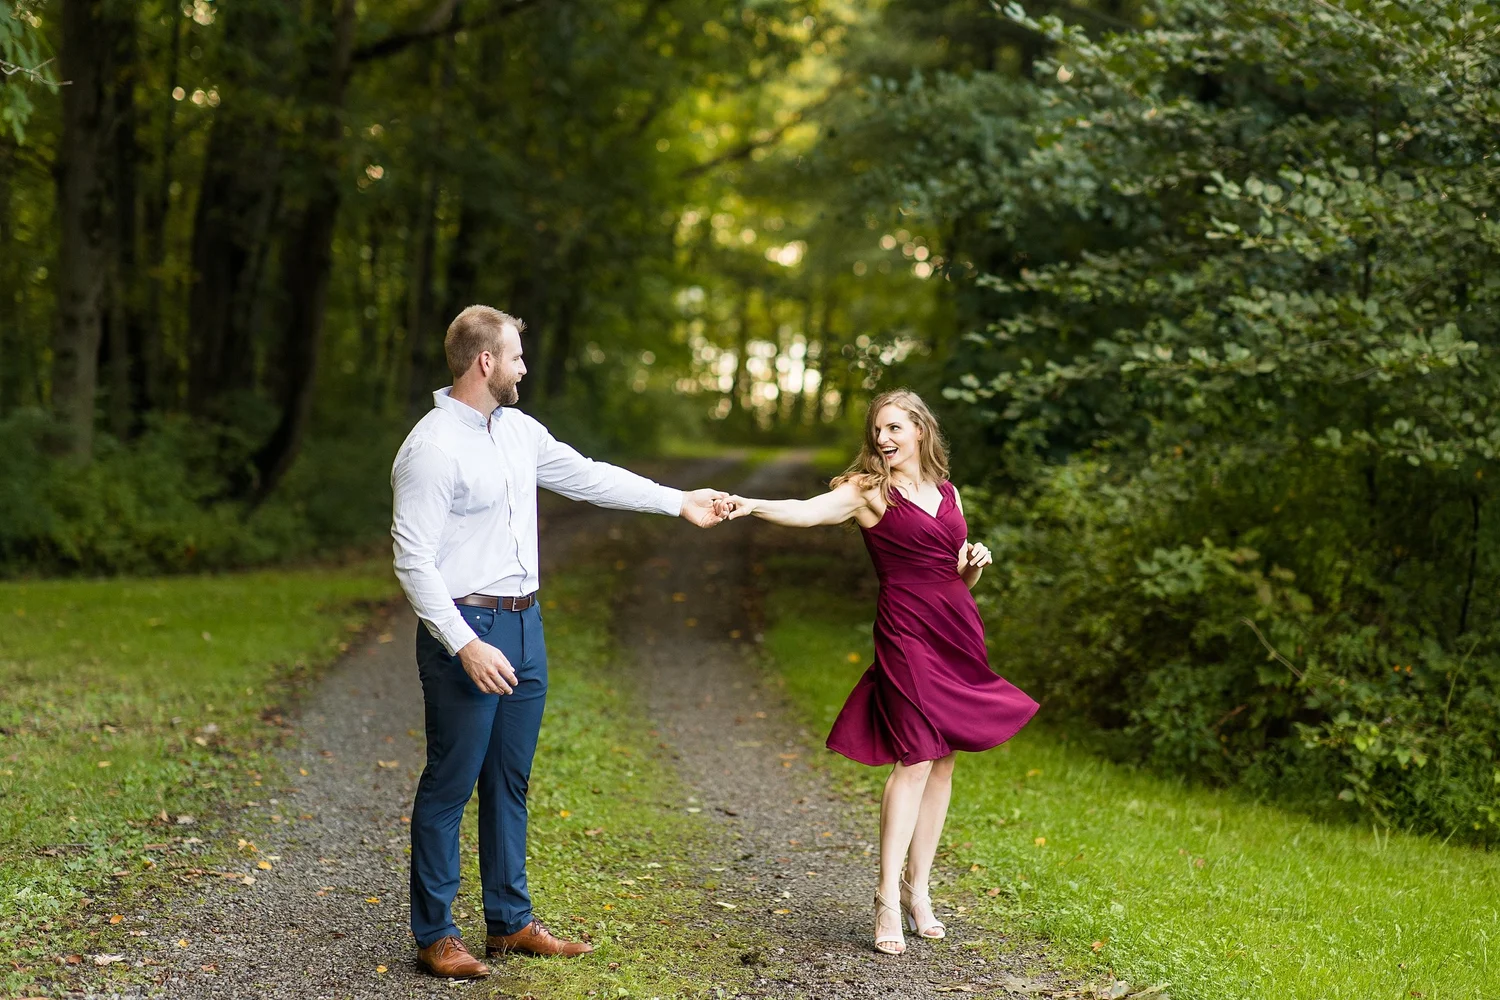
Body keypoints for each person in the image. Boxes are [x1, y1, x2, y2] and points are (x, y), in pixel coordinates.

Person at [391, 305, 729, 979]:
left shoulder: (516, 430)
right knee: (450, 785)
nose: (525, 367)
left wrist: (677, 501)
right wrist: (463, 644)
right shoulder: (430, 448)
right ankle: (436, 935)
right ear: (485, 362)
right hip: (470, 629)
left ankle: (509, 923)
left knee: (509, 782)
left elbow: (588, 474)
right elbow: (411, 559)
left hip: (524, 625)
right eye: (516, 355)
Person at [723, 388, 1038, 956]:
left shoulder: (949, 493)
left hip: (958, 629)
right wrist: (754, 504)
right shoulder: (869, 492)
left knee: (942, 763)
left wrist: (976, 565)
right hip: (906, 632)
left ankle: (920, 894)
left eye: (895, 429)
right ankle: (885, 897)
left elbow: (954, 577)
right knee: (914, 756)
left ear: (921, 430)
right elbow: (807, 512)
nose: (884, 440)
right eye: (878, 431)